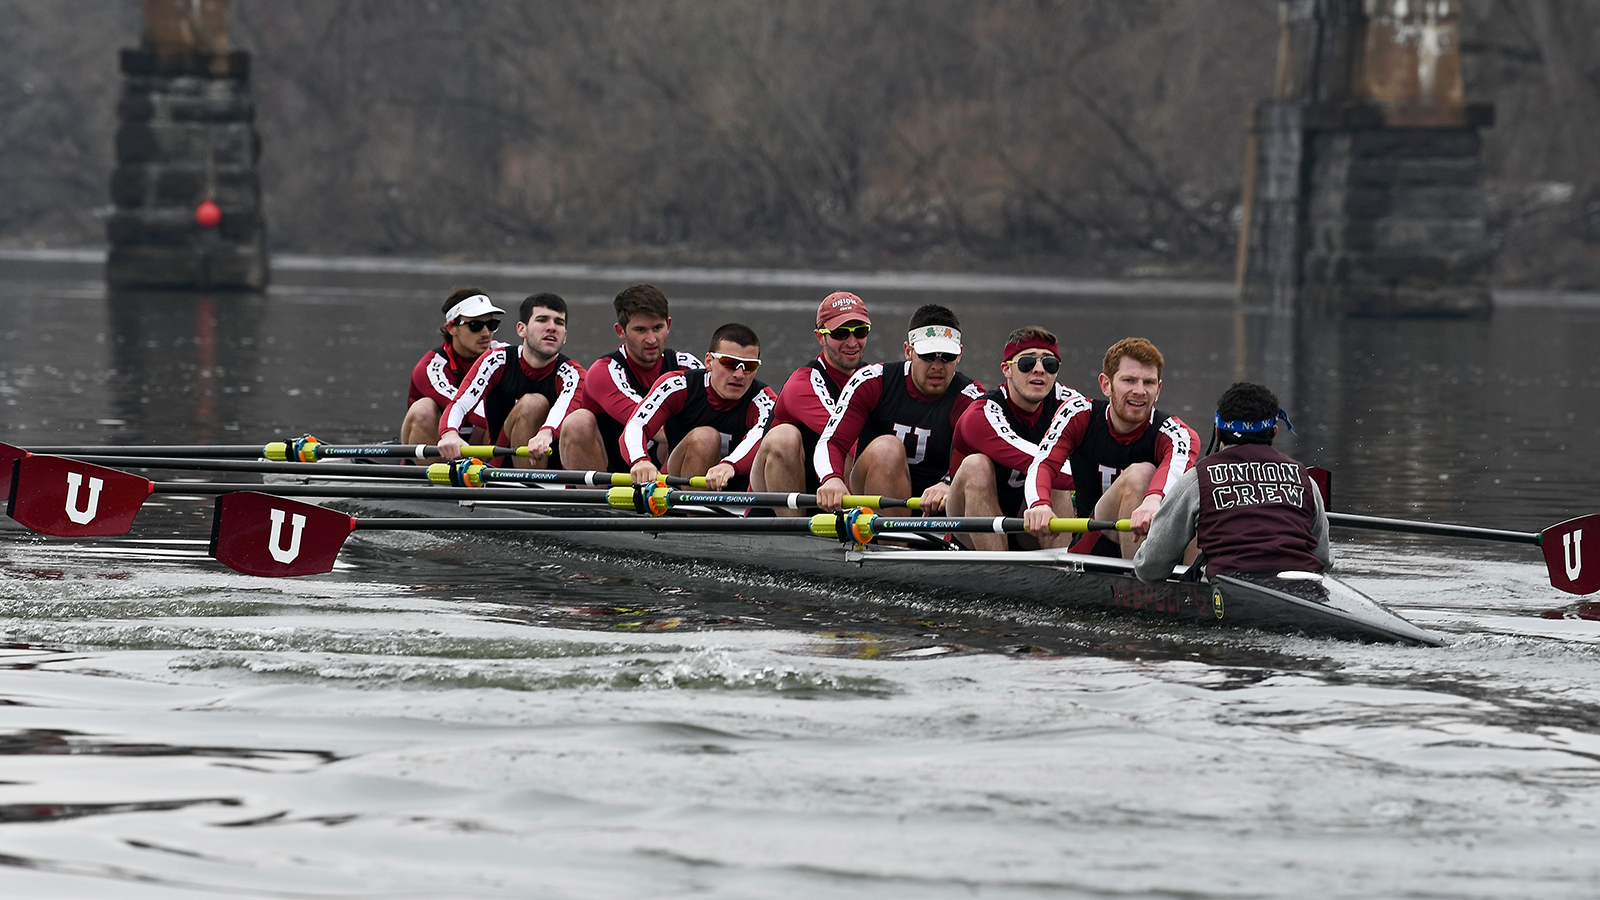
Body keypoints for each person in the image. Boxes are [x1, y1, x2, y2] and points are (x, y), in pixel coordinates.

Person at [1133, 382, 1329, 583]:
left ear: (1217, 432)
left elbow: (1150, 568)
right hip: (1303, 587)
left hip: (1229, 589)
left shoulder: (1197, 480)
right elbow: (1323, 559)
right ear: (1274, 433)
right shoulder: (1305, 480)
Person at [1023, 337, 1198, 557]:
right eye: (1129, 381)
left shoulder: (1177, 433)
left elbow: (1177, 470)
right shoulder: (1078, 414)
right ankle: (1137, 579)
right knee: (1141, 473)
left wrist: (1154, 500)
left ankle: (1194, 578)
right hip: (1092, 545)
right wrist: (1039, 504)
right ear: (1106, 385)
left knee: (1202, 500)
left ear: (1159, 389)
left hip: (1153, 539)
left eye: (1148, 383)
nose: (1140, 391)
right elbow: (1042, 464)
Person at [814, 304, 985, 514]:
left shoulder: (970, 397)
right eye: (928, 355)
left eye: (947, 356)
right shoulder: (873, 381)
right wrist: (831, 479)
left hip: (942, 505)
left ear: (959, 355)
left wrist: (949, 481)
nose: (937, 366)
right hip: (871, 497)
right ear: (908, 351)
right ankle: (891, 534)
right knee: (887, 448)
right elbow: (831, 441)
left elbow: (984, 456)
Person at [946, 326, 1083, 550]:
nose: (1039, 370)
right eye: (1027, 363)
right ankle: (998, 566)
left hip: (1029, 521)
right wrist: (1099, 479)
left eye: (1049, 364)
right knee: (976, 465)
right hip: (970, 527)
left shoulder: (1071, 404)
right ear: (1007, 369)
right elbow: (1039, 464)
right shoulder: (980, 414)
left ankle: (1062, 563)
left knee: (1058, 476)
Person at [435, 293, 607, 471]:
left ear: (564, 336)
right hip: (501, 468)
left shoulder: (574, 374)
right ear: (521, 329)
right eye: (542, 320)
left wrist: (546, 433)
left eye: (559, 322)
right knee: (533, 404)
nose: (551, 327)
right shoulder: (496, 360)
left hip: (557, 472)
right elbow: (461, 403)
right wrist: (449, 433)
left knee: (555, 411)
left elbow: (565, 406)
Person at [750, 291, 873, 514]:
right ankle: (793, 528)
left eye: (860, 332)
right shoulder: (803, 383)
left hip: (831, 493)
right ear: (820, 337)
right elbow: (845, 439)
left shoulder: (874, 378)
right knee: (786, 436)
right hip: (774, 499)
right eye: (840, 333)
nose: (852, 342)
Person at [622, 323, 777, 490]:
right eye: (729, 363)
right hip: (677, 485)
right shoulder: (678, 385)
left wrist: (730, 465)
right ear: (709, 362)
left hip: (738, 492)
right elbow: (636, 424)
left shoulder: (763, 399)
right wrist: (640, 460)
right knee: (706, 438)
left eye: (749, 366)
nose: (739, 375)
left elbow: (759, 436)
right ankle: (693, 506)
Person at [583, 284, 704, 473]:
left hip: (662, 469)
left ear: (668, 325)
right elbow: (646, 422)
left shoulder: (687, 366)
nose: (651, 339)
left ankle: (670, 488)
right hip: (610, 469)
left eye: (657, 328)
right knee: (578, 421)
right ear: (621, 331)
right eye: (640, 330)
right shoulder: (603, 371)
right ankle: (590, 493)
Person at [401, 287, 503, 445]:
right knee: (424, 408)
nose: (486, 333)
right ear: (451, 328)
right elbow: (461, 406)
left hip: (481, 443)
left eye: (491, 324)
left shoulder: (504, 354)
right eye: (475, 325)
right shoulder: (430, 367)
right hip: (440, 444)